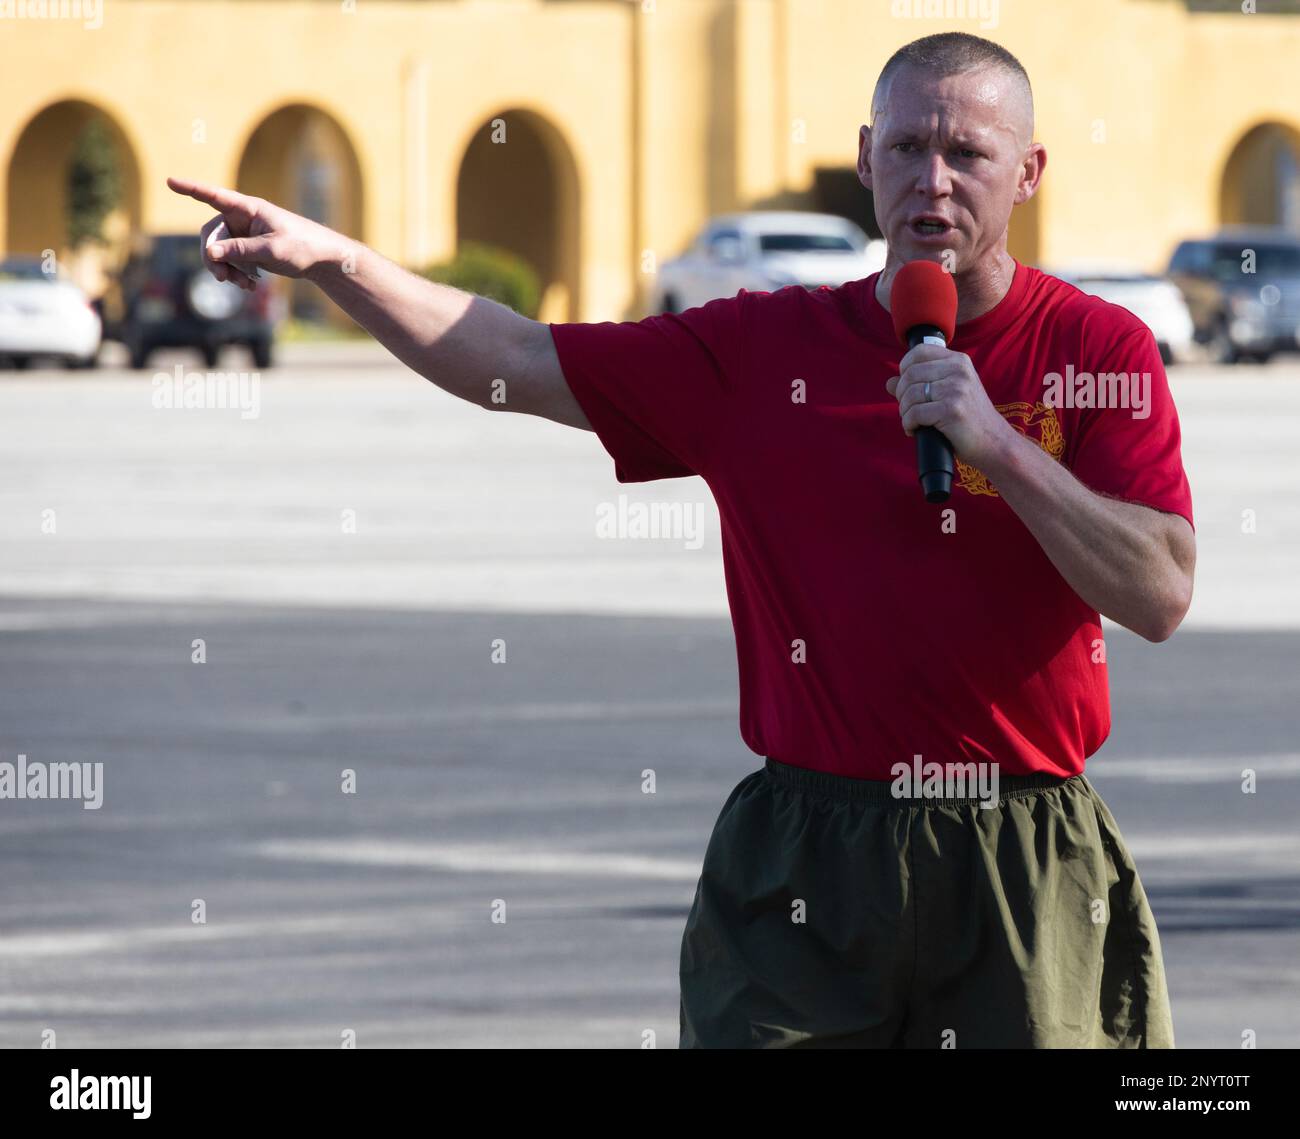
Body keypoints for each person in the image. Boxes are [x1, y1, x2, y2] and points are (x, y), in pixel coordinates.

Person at [168, 30, 1195, 1049]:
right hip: (806, 855)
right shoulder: (761, 349)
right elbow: (516, 356)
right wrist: (339, 261)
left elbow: (1157, 592)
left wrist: (998, 447)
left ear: (1028, 171)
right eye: (905, 148)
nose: (932, 179)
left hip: (1018, 854)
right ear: (862, 157)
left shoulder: (1095, 349)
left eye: (967, 152)